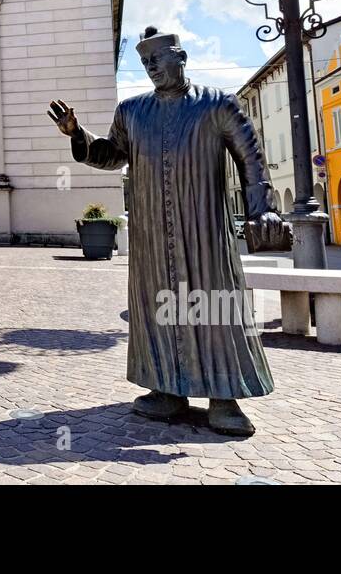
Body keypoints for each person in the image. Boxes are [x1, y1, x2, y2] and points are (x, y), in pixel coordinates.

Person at [47, 26, 290, 437]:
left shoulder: (218, 104)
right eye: (145, 63)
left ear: (181, 57)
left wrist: (262, 209)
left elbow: (251, 160)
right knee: (156, 308)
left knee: (214, 305)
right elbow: (111, 155)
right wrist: (78, 135)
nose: (152, 68)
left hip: (205, 230)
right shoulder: (132, 111)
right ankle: (166, 389)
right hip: (152, 233)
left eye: (158, 59)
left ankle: (224, 396)